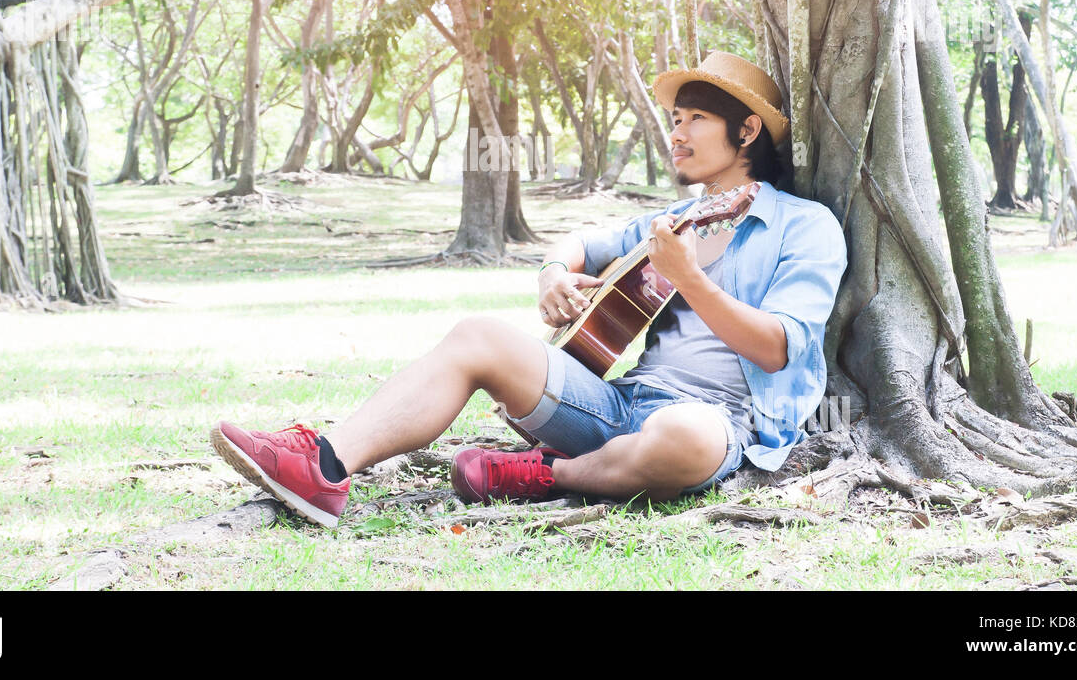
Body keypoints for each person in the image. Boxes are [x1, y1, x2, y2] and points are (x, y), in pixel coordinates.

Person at [210, 51, 848, 528]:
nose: (676, 133)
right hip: (617, 404)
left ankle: (546, 474)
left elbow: (779, 349)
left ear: (746, 132)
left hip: (717, 422)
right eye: (674, 118)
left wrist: (688, 279)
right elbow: (585, 243)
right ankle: (323, 466)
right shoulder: (669, 224)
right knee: (476, 337)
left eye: (697, 119)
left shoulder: (806, 226)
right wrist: (552, 273)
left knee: (687, 437)